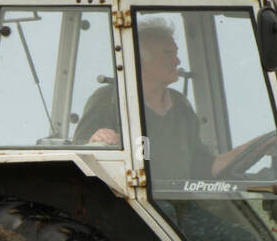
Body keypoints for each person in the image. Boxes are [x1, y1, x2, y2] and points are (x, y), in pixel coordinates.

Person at [73, 19, 255, 181]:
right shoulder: (108, 99)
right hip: (136, 203)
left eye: (175, 53)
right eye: (168, 54)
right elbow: (81, 150)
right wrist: (97, 137)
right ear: (140, 60)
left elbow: (202, 166)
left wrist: (253, 148)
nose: (177, 61)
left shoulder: (180, 104)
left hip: (180, 205)